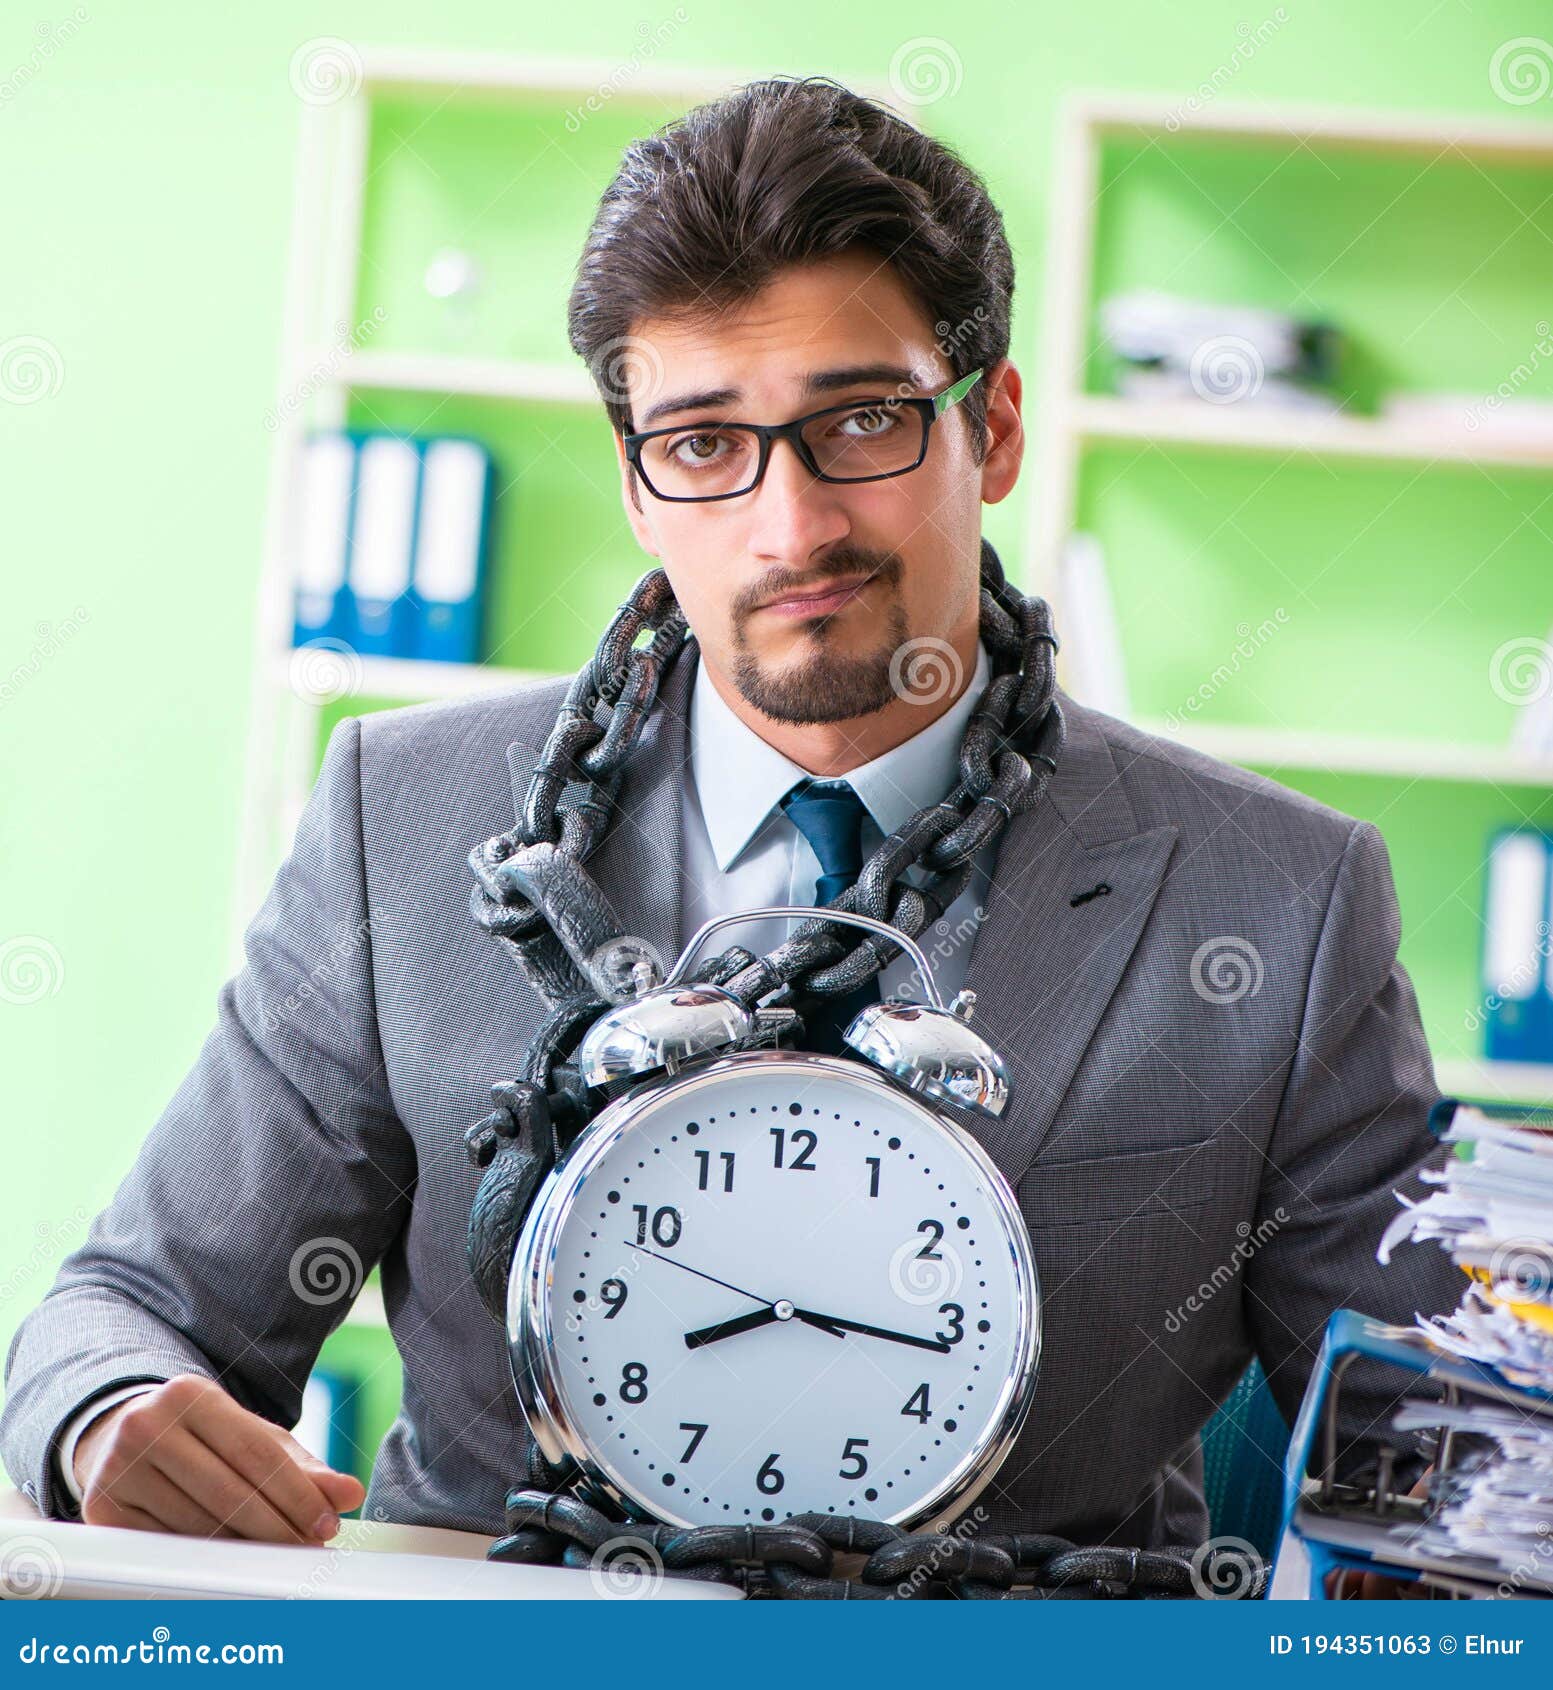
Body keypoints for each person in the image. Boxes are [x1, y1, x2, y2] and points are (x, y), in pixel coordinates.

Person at [2, 77, 1464, 1575]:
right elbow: (128, 1308)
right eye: (703, 442)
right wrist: (107, 1412)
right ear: (639, 485)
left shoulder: (1279, 905)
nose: (791, 527)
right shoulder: (405, 818)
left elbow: (1435, 1463)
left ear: (995, 429)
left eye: (860, 420)